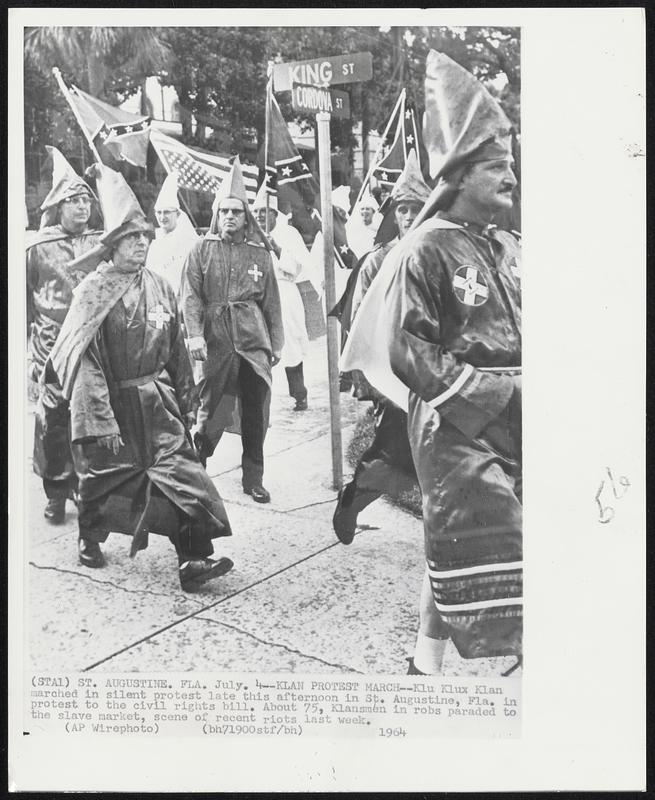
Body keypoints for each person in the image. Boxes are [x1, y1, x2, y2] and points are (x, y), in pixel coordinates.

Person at [342, 51, 522, 674]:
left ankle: (424, 663)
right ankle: (522, 664)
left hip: (518, 418)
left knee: (453, 547)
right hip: (455, 426)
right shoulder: (426, 248)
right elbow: (409, 351)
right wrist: (496, 399)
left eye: (512, 165)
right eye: (499, 166)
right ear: (461, 174)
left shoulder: (509, 247)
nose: (512, 178)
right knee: (508, 536)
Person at [48, 164, 233, 592]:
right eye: (132, 238)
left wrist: (190, 405)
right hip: (113, 408)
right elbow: (83, 361)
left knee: (186, 474)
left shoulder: (161, 287)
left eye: (146, 237)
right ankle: (89, 533)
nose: (142, 244)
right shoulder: (92, 292)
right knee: (105, 479)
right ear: (111, 245)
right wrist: (99, 420)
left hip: (158, 404)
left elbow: (176, 351)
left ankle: (192, 559)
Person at [333, 149, 431, 543]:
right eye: (403, 210)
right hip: (395, 374)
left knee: (435, 450)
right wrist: (368, 379)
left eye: (416, 209)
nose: (409, 218)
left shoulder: (441, 254)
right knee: (392, 450)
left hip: (436, 373)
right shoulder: (380, 260)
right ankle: (354, 500)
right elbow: (361, 323)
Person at [182, 158, 284, 504]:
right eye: (224, 211)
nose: (229, 217)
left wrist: (277, 342)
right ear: (216, 214)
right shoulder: (200, 249)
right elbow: (191, 296)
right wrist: (195, 334)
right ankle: (197, 470)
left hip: (253, 343)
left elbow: (271, 302)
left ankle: (253, 478)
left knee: (256, 412)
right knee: (212, 410)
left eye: (236, 212)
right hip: (216, 343)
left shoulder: (260, 255)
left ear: (246, 218)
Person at [26, 146, 103, 524]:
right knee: (53, 424)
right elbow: (23, 302)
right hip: (51, 348)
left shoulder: (101, 244)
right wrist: (28, 355)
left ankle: (86, 489)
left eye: (85, 200)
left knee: (89, 420)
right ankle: (56, 492)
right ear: (57, 206)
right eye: (72, 201)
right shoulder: (37, 248)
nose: (81, 208)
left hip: (91, 348)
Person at [252, 183, 311, 411]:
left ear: (275, 213)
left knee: (290, 343)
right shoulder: (251, 235)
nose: (259, 216)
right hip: (260, 295)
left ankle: (299, 393)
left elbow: (295, 268)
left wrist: (275, 248)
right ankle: (263, 399)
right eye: (256, 212)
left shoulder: (288, 234)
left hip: (284, 293)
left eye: (264, 211)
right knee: (260, 345)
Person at [145, 172, 199, 296]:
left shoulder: (189, 242)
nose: (162, 217)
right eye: (159, 212)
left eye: (167, 212)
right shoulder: (155, 245)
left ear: (178, 214)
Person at [346, 190, 381, 260]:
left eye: (367, 209)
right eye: (362, 209)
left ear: (373, 212)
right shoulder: (355, 230)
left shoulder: (379, 228)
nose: (364, 211)